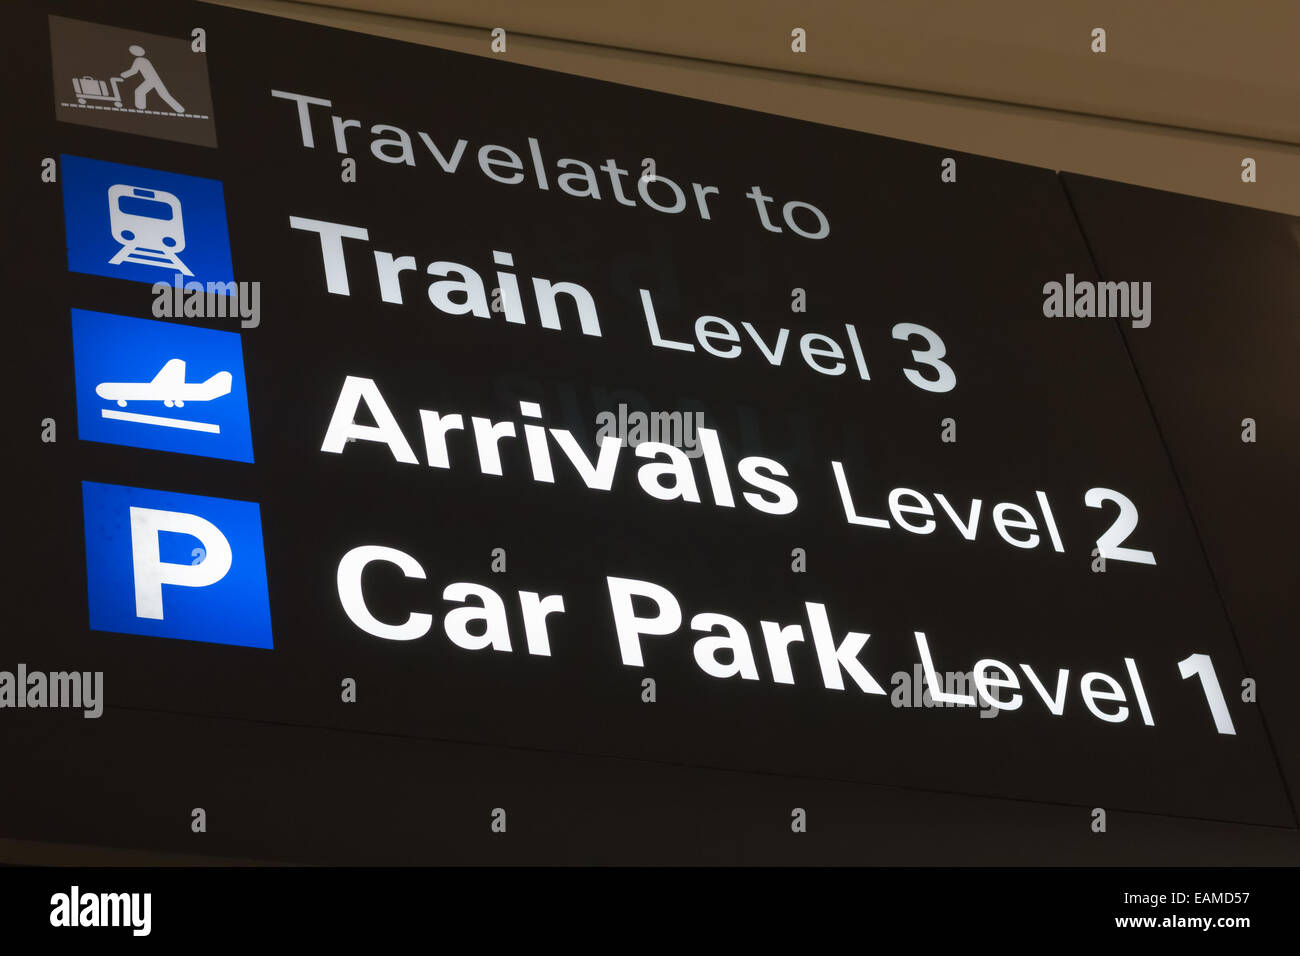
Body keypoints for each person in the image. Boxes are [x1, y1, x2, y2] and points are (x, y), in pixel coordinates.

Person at [119, 44, 185, 113]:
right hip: (154, 80)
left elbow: (134, 71)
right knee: (162, 95)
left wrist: (123, 75)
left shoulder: (139, 60)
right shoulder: (145, 60)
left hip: (151, 80)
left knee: (141, 92)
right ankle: (141, 108)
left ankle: (140, 108)